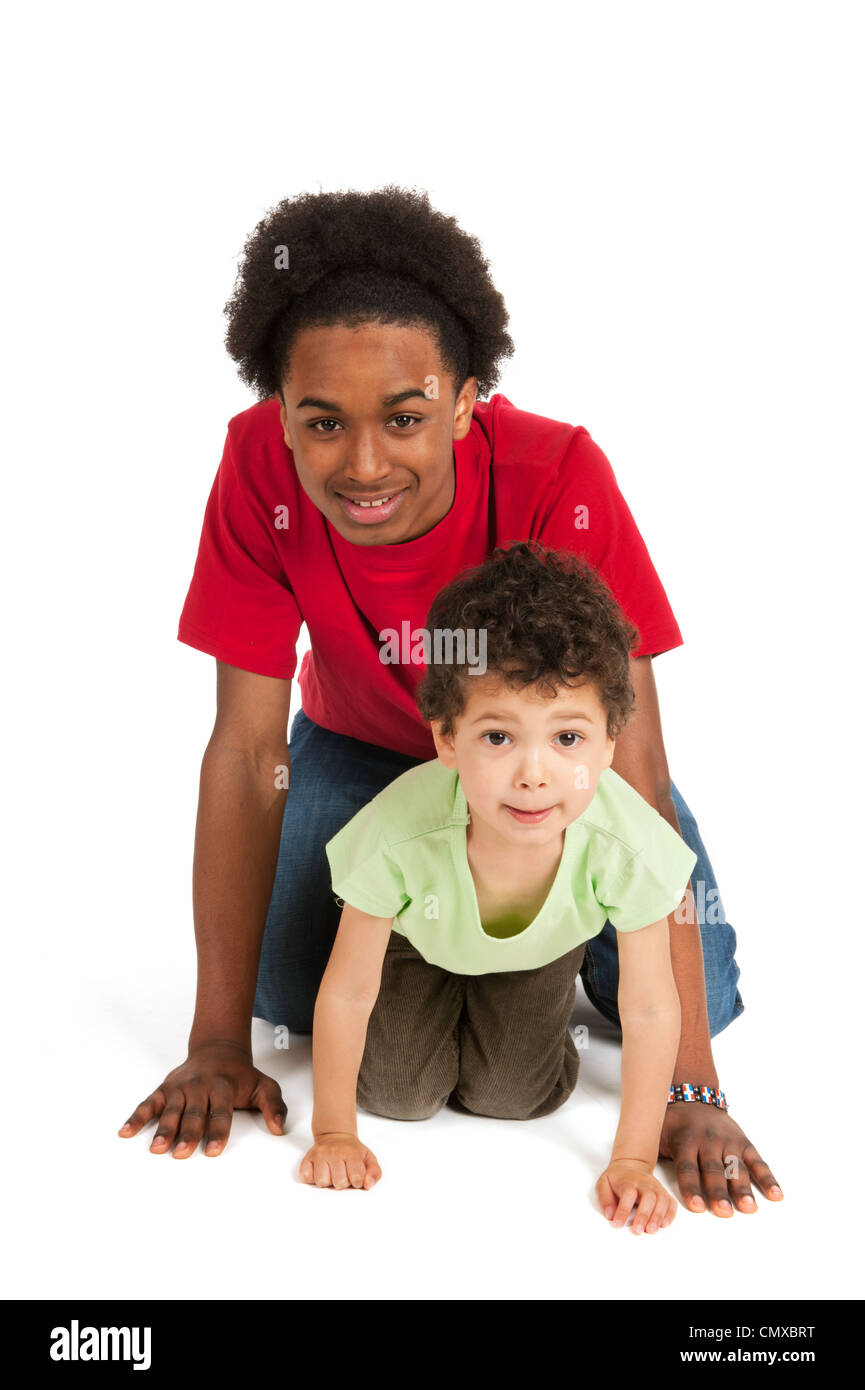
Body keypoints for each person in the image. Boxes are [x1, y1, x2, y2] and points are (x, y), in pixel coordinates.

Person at [118, 185, 782, 1218]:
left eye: (406, 417)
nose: (365, 462)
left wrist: (689, 1083)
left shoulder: (557, 472)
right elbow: (252, 752)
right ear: (278, 413)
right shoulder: (256, 469)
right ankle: (449, 925)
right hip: (363, 751)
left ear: (467, 401)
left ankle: (529, 937)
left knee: (699, 992)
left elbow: (635, 762)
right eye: (322, 422)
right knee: (290, 997)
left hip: (542, 764)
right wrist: (214, 1041)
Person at [301, 543, 696, 1235]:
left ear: (609, 745)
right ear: (446, 740)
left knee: (517, 1096)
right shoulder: (398, 833)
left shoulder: (627, 847)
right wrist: (333, 1131)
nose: (533, 774)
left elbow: (650, 1003)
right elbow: (347, 989)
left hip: (535, 957)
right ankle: (437, 1014)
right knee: (397, 1093)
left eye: (567, 737)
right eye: (496, 738)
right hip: (415, 949)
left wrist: (632, 1158)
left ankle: (510, 1011)